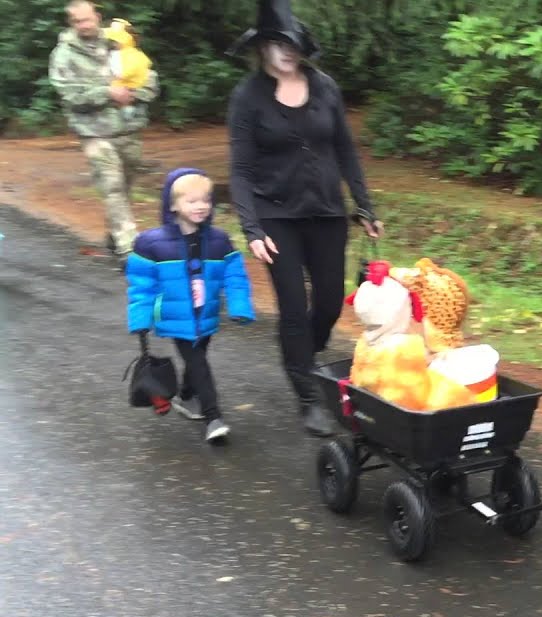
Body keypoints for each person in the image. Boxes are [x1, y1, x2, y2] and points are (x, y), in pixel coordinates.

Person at [225, 0, 383, 437]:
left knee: (331, 301)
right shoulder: (248, 97)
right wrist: (251, 228)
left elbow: (347, 151)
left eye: (292, 44)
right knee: (293, 307)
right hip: (276, 217)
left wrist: (365, 206)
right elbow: (239, 170)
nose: (287, 51)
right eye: (277, 43)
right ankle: (308, 395)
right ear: (262, 48)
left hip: (328, 213)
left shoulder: (325, 87)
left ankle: (300, 358)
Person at [125, 168, 257, 444]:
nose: (201, 207)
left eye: (206, 200)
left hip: (206, 315)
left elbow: (235, 276)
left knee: (196, 360)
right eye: (192, 201)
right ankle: (213, 417)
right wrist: (140, 318)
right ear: (172, 205)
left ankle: (186, 394)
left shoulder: (219, 241)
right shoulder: (151, 243)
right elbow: (141, 285)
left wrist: (240, 305)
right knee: (198, 361)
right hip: (176, 317)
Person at [48, 0, 159, 261]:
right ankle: (129, 249)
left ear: (97, 17)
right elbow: (69, 95)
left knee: (126, 186)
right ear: (71, 23)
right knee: (112, 185)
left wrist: (132, 94)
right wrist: (107, 92)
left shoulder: (117, 42)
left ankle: (115, 233)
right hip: (94, 133)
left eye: (88, 19)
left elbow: (147, 77)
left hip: (128, 129)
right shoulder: (64, 55)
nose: (84, 25)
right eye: (78, 21)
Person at [102, 18, 152, 124]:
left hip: (129, 93)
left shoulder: (129, 55)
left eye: (115, 40)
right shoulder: (119, 53)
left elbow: (121, 74)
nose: (112, 42)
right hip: (120, 94)